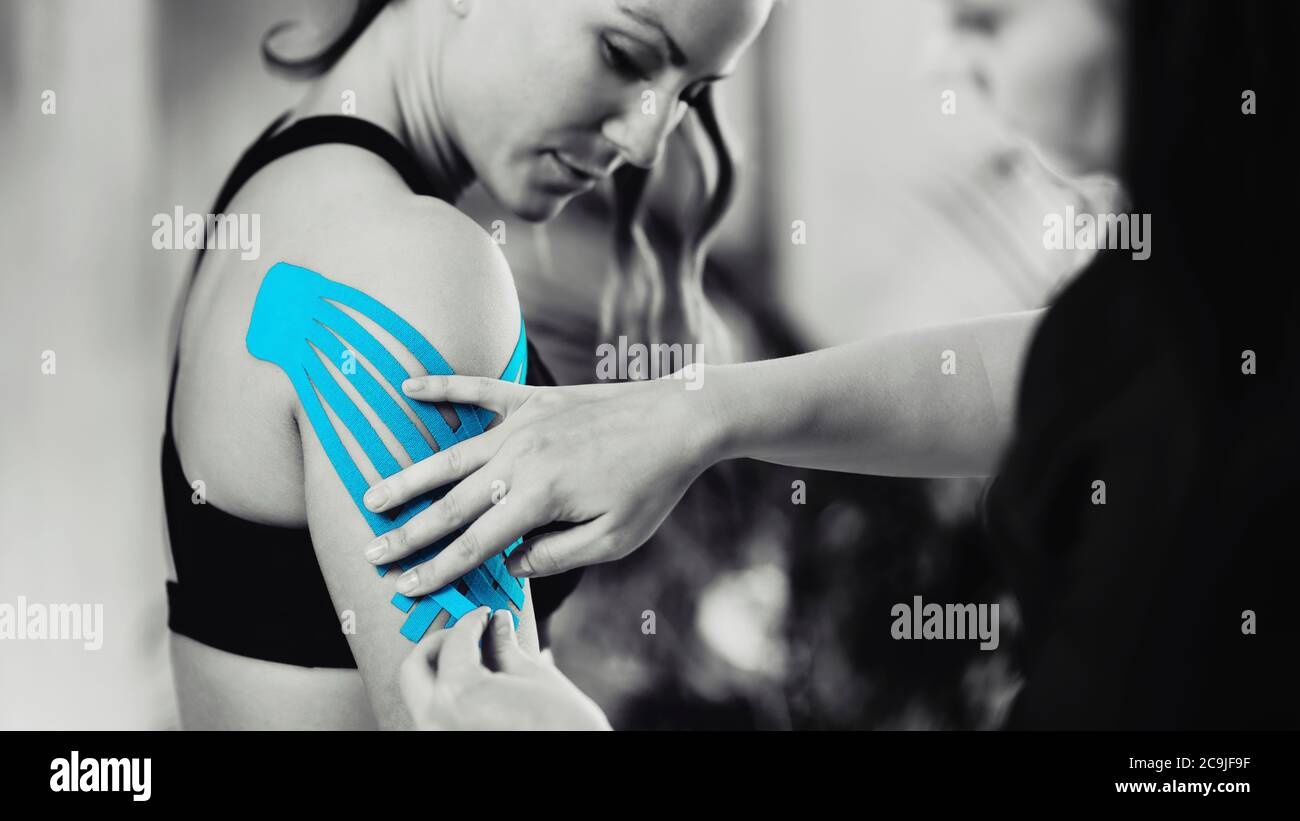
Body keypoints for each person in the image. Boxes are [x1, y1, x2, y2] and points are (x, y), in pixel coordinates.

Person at [387, 0, 1300, 729]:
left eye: (988, 19)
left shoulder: (1214, 482)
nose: (941, 66)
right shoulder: (1208, 292)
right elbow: (1064, 368)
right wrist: (699, 412)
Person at [161, 0, 773, 729]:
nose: (648, 140)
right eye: (624, 54)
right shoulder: (406, 262)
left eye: (690, 93)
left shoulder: (281, 186)